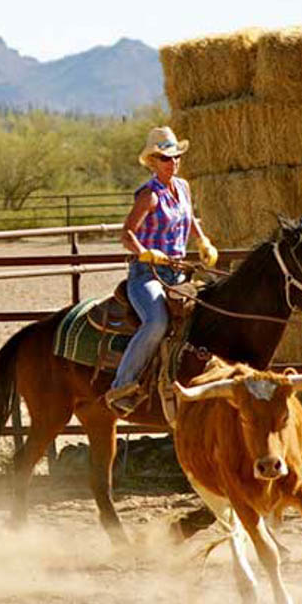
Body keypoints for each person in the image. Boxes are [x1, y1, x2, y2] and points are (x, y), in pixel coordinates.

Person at [105, 127, 218, 416]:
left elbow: (189, 216)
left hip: (179, 272)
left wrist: (202, 240)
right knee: (156, 322)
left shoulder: (182, 187)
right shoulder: (149, 195)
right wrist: (144, 251)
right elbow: (126, 233)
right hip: (147, 274)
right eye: (167, 158)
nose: (174, 163)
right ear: (154, 161)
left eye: (177, 157)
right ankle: (122, 385)